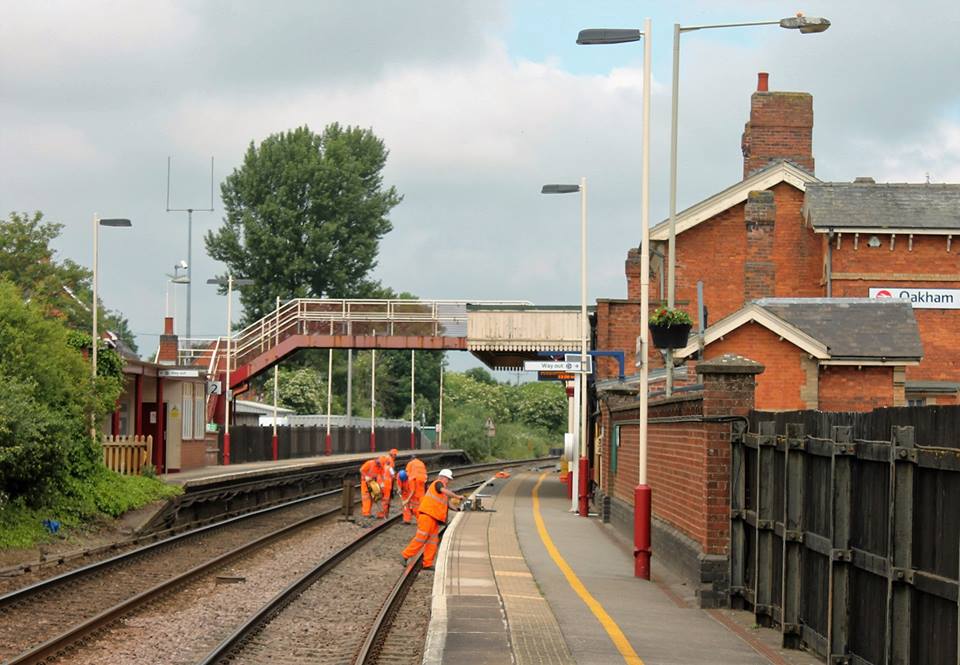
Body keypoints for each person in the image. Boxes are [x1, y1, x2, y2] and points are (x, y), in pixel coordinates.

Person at [400, 468, 465, 570]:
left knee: (432, 542)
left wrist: (458, 509)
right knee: (420, 539)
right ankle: (405, 555)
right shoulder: (438, 484)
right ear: (442, 477)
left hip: (433, 519)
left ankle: (427, 563)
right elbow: (444, 491)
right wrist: (457, 496)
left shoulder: (442, 491)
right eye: (447, 479)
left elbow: (447, 503)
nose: (448, 481)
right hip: (427, 516)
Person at [404, 454, 428, 520]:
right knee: (421, 504)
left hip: (415, 484)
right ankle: (423, 518)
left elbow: (407, 473)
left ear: (411, 459)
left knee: (415, 507)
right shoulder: (421, 463)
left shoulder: (410, 464)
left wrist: (407, 500)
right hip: (422, 483)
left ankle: (420, 520)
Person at [377, 448, 399, 517]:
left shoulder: (382, 467)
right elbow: (393, 476)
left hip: (380, 483)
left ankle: (381, 513)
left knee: (381, 499)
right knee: (386, 500)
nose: (395, 456)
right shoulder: (390, 466)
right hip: (387, 485)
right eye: (395, 455)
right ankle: (384, 513)